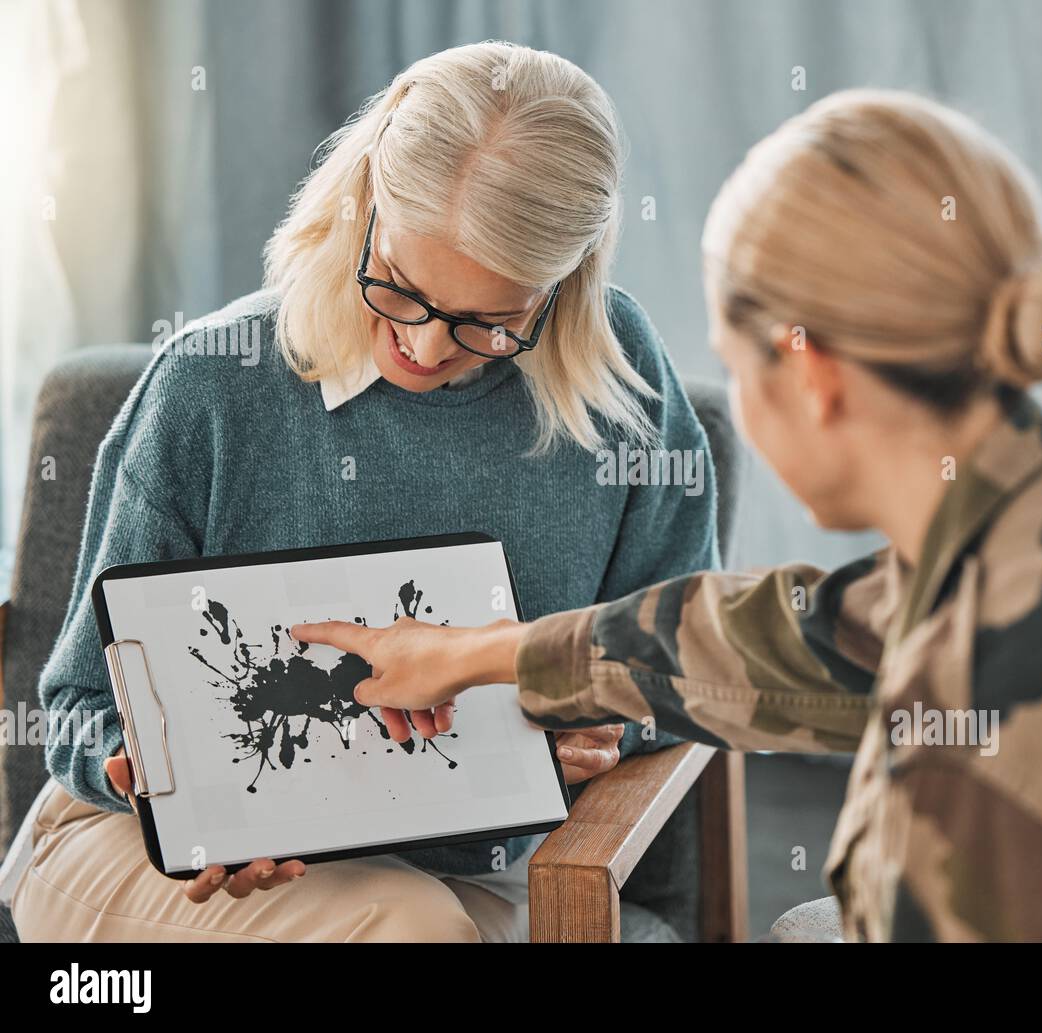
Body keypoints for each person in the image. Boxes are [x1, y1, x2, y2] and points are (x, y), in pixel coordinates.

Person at [293, 89, 1042, 942]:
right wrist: (481, 655)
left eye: (737, 368)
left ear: (808, 373)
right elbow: (808, 634)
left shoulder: (965, 788)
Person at [11, 41, 717, 943]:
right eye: (401, 289)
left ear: (563, 285)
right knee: (410, 927)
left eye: (487, 324)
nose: (424, 349)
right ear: (362, 209)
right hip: (140, 848)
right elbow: (75, 707)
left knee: (421, 919)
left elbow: (685, 658)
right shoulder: (211, 388)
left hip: (480, 870)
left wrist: (602, 726)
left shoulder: (623, 382)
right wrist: (162, 780)